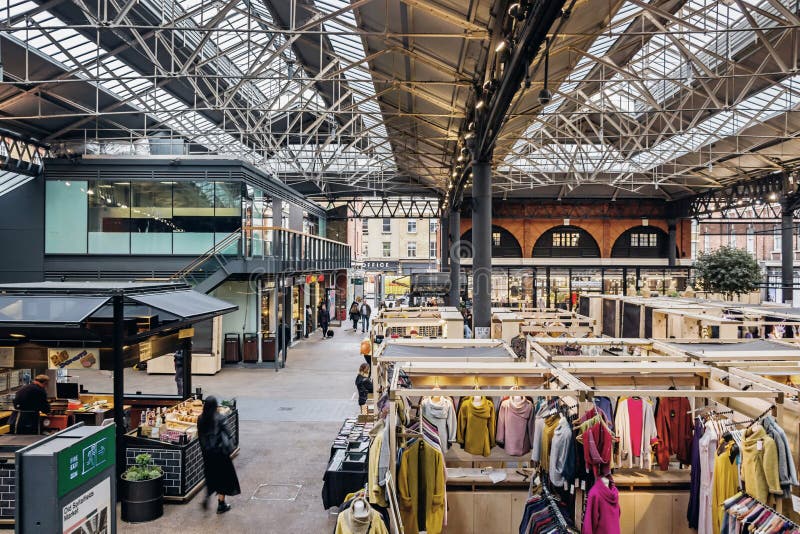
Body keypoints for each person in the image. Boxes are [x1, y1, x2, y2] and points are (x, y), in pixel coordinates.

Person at [198, 396, 240, 514]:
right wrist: (232, 445)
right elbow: (228, 432)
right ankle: (221, 504)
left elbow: (201, 437)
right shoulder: (220, 418)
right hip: (220, 453)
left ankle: (207, 497)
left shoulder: (200, 418)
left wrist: (204, 452)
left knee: (210, 476)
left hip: (207, 454)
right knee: (223, 478)